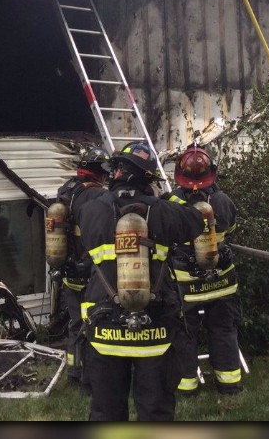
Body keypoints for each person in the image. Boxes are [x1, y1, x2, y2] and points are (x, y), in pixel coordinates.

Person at [77, 140, 209, 421]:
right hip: (155, 332)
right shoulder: (165, 211)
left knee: (105, 413)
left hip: (104, 331)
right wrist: (165, 195)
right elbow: (196, 221)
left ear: (117, 173)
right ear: (148, 178)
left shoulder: (91, 211)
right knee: (156, 412)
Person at [166, 145, 245, 396]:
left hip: (186, 284)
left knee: (184, 332)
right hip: (222, 281)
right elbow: (230, 232)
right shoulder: (222, 200)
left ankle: (187, 385)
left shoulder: (172, 204)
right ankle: (230, 382)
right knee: (223, 329)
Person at [53, 146, 110, 389]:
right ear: (99, 170)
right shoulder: (97, 195)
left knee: (75, 323)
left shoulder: (66, 190)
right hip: (91, 274)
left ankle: (74, 373)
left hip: (69, 273)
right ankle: (92, 378)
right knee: (94, 324)